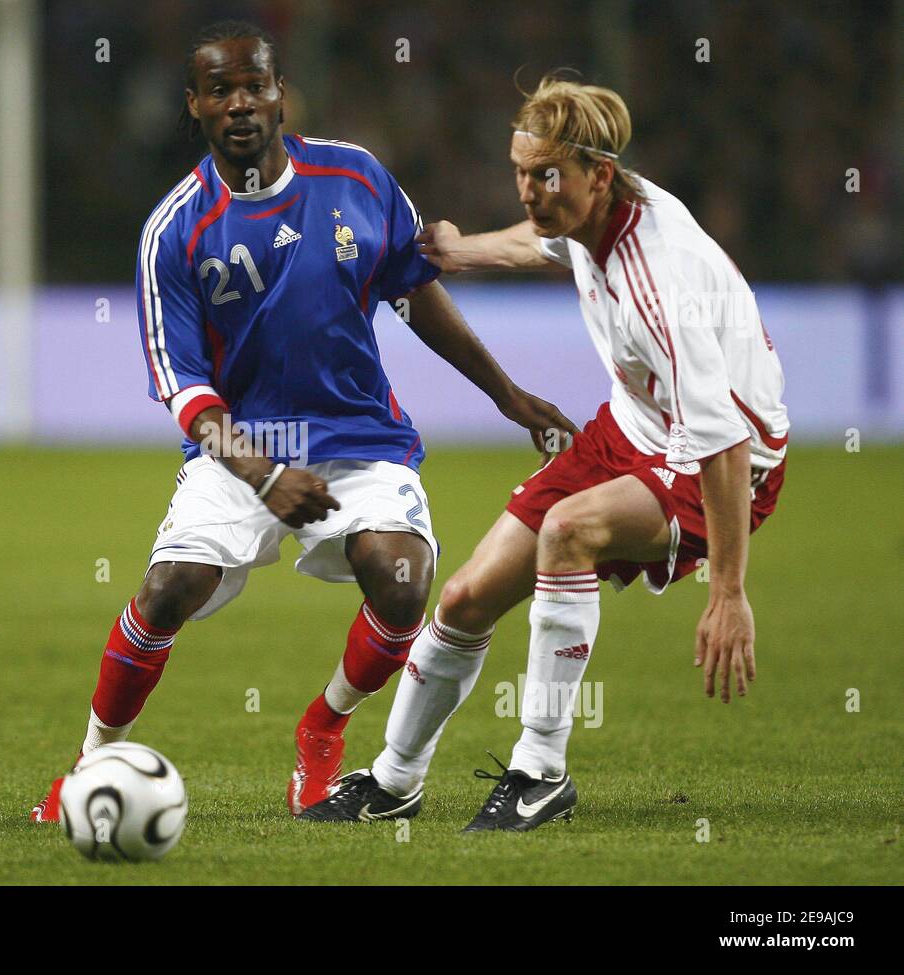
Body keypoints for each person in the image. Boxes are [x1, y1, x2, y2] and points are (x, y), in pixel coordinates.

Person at [33, 23, 574, 822]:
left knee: (402, 581)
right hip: (239, 450)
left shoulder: (356, 177)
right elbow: (184, 393)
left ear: (281, 92)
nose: (241, 103)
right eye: (221, 90)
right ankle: (92, 760)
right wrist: (264, 473)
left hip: (358, 438)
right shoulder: (175, 230)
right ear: (196, 106)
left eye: (255, 84)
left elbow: (415, 290)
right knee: (164, 590)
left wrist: (506, 394)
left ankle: (324, 726)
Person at [299, 73, 789, 830]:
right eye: (521, 172)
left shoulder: (664, 274)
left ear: (598, 174)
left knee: (568, 530)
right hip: (635, 428)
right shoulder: (595, 208)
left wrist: (728, 591)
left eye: (546, 175)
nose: (530, 190)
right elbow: (543, 240)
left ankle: (540, 769)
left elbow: (721, 437)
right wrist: (463, 252)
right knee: (463, 597)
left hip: (722, 458)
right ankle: (396, 779)